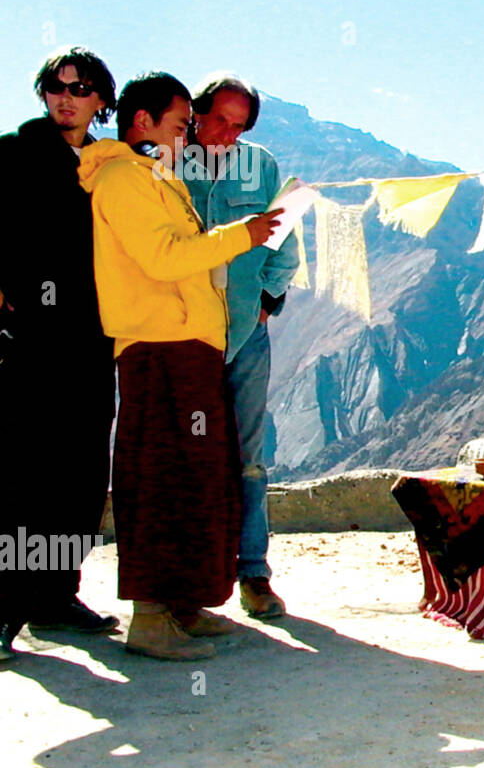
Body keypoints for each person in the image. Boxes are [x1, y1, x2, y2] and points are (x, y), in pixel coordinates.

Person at [77, 72, 282, 660]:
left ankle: (182, 604)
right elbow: (164, 258)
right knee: (160, 475)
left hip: (189, 343)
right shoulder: (121, 178)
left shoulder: (155, 180)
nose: (188, 133)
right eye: (179, 123)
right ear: (142, 122)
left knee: (196, 477)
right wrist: (238, 237)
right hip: (155, 345)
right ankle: (148, 615)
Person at [0, 47, 120, 660]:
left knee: (79, 472)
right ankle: (4, 607)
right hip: (30, 342)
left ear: (101, 98)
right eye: (55, 85)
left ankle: (56, 597)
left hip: (93, 337)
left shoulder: (111, 164)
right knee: (25, 473)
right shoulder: (14, 153)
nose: (65, 96)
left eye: (81, 86)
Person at [185, 73, 299, 619]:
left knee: (249, 457)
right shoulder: (167, 166)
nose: (225, 135)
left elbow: (284, 240)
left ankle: (253, 572)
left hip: (245, 333)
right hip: (184, 334)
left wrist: (264, 302)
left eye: (238, 125)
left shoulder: (263, 166)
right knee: (189, 455)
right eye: (218, 121)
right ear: (195, 114)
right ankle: (191, 580)